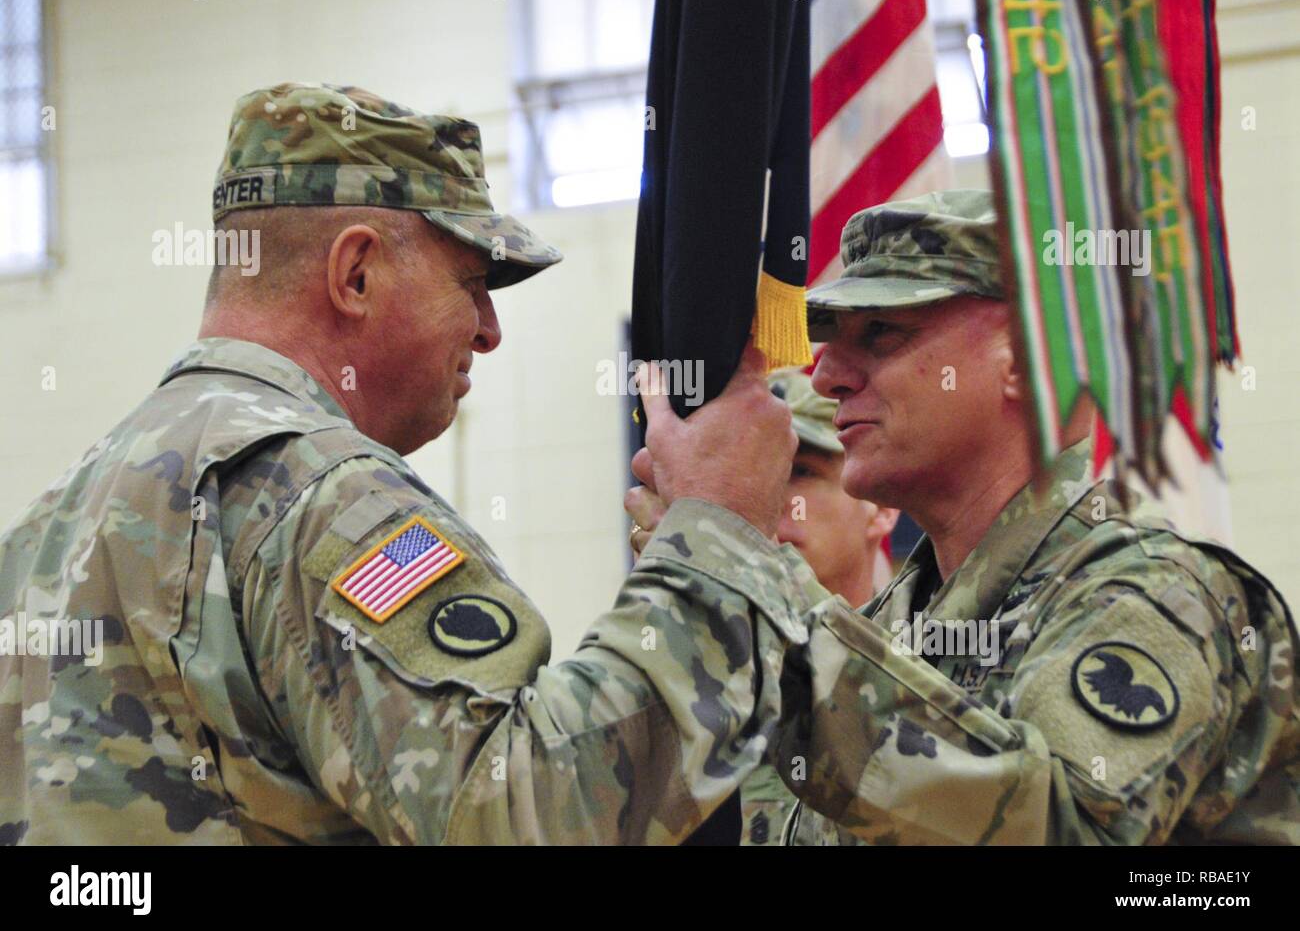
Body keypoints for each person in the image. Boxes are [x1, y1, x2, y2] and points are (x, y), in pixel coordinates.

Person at [0, 82, 809, 846]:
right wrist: (717, 533)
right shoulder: (315, 493)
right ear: (355, 274)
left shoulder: (44, 527)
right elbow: (524, 809)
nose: (490, 330)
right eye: (472, 282)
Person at [629, 190, 1299, 844]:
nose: (827, 374)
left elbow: (1060, 831)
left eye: (881, 332)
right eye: (832, 339)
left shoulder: (1157, 595)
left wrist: (746, 579)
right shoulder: (885, 630)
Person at [738, 370, 898, 845]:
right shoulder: (694, 681)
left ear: (882, 507)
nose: (769, 498)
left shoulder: (931, 667)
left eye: (801, 472)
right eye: (754, 475)